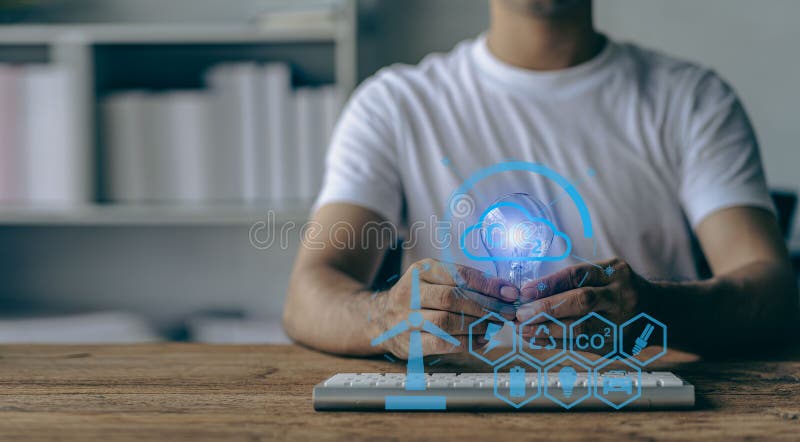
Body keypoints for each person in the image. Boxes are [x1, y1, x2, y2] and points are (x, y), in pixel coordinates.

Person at [283, 0, 798, 358]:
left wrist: (651, 309)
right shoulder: (393, 106)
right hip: (448, 414)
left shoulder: (692, 101)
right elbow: (309, 294)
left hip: (643, 404)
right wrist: (386, 316)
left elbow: (773, 292)